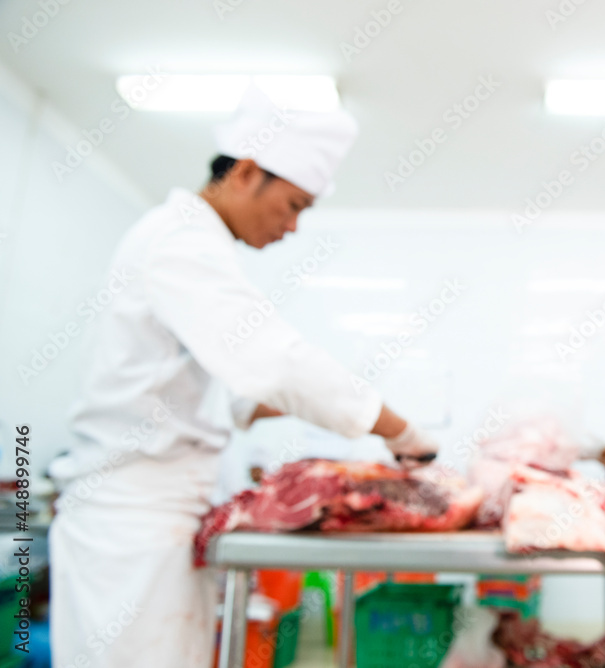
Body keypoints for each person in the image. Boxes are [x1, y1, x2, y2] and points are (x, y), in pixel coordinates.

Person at [47, 87, 438, 668]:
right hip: (131, 528)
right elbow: (272, 359)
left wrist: (264, 406)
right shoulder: (178, 242)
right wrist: (401, 431)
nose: (294, 227)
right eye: (295, 205)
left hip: (158, 522)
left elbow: (188, 388)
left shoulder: (190, 240)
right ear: (249, 172)